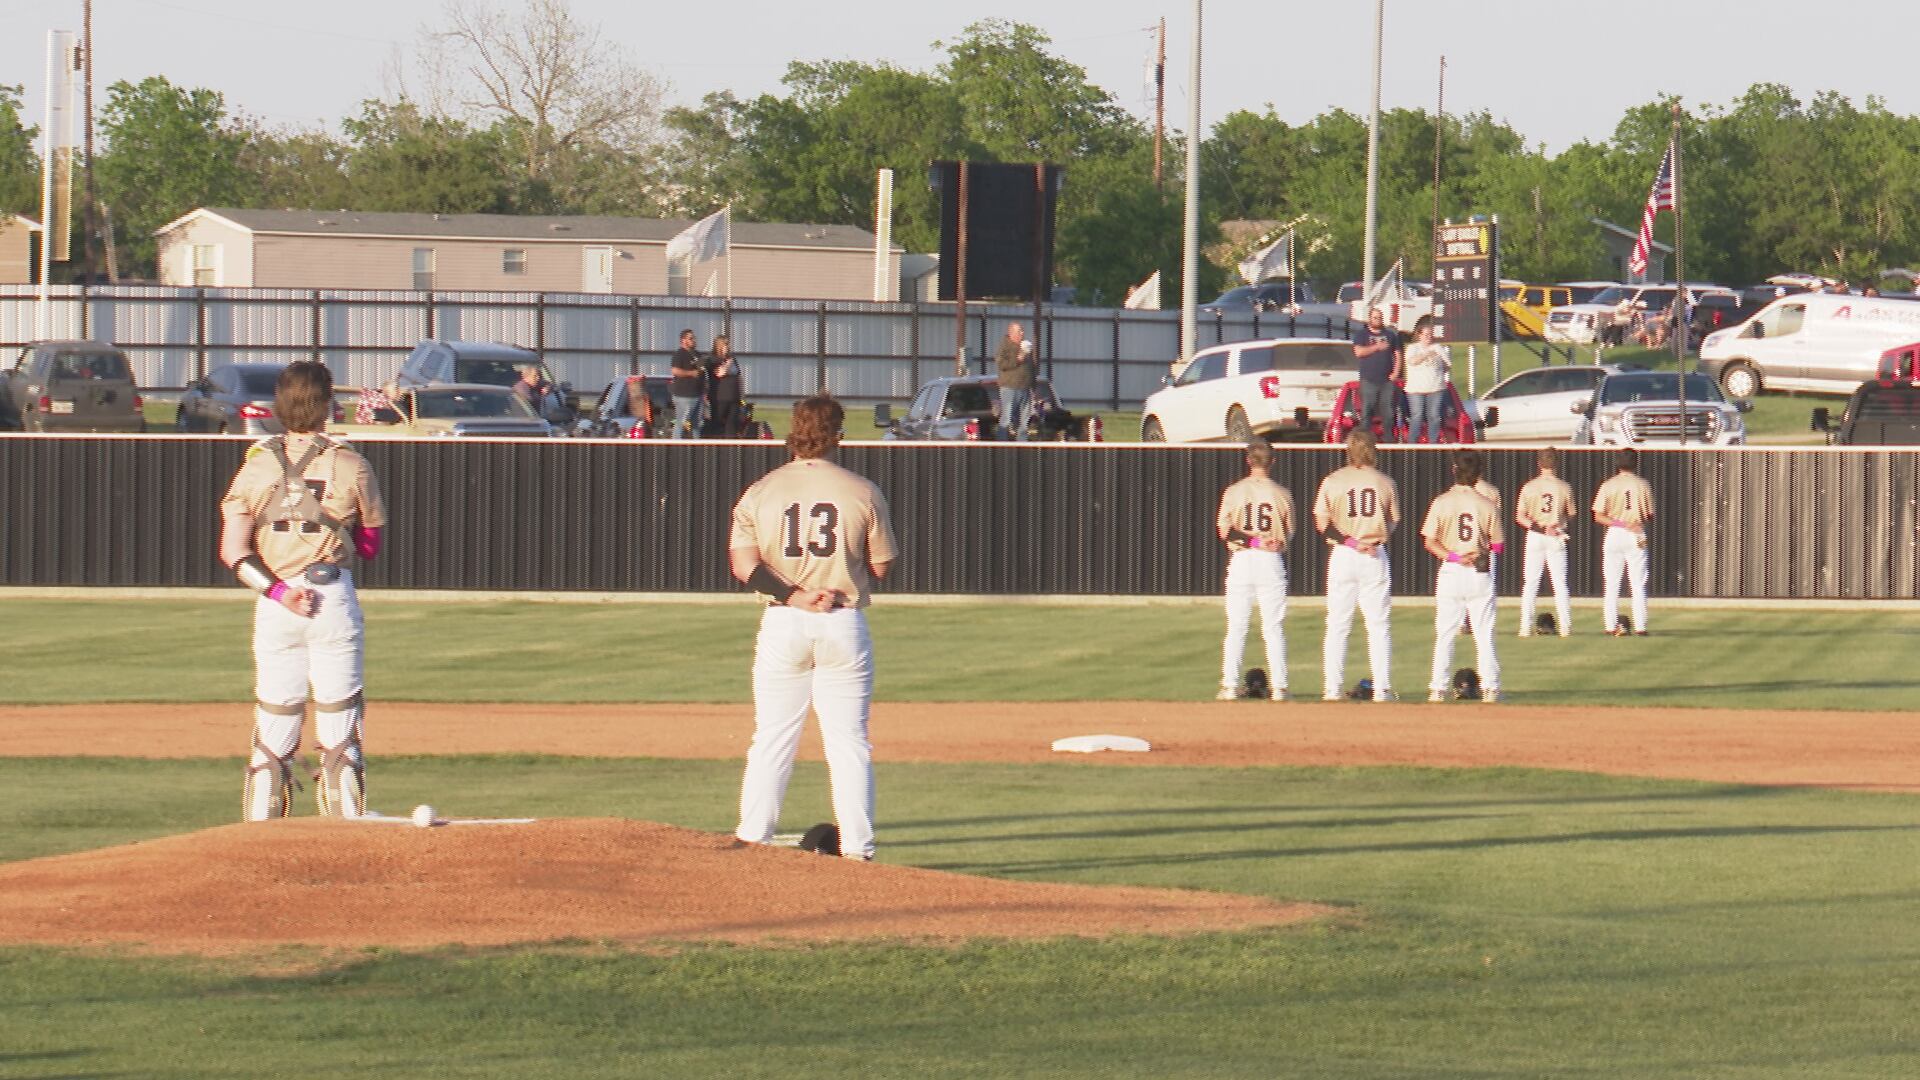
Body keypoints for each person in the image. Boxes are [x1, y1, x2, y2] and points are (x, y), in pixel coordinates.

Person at [729, 395, 898, 861]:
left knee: (772, 737)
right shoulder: (861, 490)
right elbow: (882, 566)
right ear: (838, 435)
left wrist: (795, 595)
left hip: (784, 621)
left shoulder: (761, 490)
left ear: (793, 433)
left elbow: (744, 566)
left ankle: (753, 836)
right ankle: (858, 850)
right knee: (848, 743)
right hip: (842, 619)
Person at [217, 360, 386, 821]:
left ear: (279, 405)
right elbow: (370, 546)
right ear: (328, 404)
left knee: (275, 724)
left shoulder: (254, 467)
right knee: (340, 728)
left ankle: (261, 830)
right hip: (331, 599)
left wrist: (279, 593)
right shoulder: (351, 463)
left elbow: (233, 552)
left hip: (277, 604)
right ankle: (345, 825)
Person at [1315, 429, 1398, 701]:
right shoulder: (1385, 481)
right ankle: (1382, 689)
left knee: (1338, 624)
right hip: (1373, 553)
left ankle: (1332, 689)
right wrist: (1370, 540)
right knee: (1378, 625)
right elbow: (1393, 522)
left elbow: (1322, 524)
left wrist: (1351, 542)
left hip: (1343, 553)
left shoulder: (1333, 480)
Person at [1215, 439, 1295, 701]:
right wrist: (1265, 542)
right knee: (1273, 626)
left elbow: (1225, 531)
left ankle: (1229, 685)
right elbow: (1288, 533)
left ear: (1248, 461)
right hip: (1270, 560)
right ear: (1273, 462)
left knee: (1237, 626)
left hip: (1242, 558)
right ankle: (1280, 687)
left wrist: (1252, 541)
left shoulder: (1234, 491)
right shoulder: (1282, 493)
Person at [1422, 450, 1503, 703]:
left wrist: (1454, 556)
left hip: (1452, 570)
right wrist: (1479, 552)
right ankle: (1490, 687)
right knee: (1484, 633)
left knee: (1445, 633)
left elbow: (1429, 542)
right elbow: (1498, 545)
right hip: (1478, 571)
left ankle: (1438, 688)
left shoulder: (1441, 502)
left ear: (1454, 471)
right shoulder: (1487, 504)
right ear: (1479, 473)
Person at [1592, 447, 1655, 636]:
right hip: (1637, 533)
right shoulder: (1643, 484)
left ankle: (1610, 626)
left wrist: (1621, 523)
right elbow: (1650, 514)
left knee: (1612, 583)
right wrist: (1634, 523)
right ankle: (1640, 626)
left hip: (1615, 532)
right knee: (1638, 583)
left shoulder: (1608, 485)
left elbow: (1598, 516)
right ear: (1635, 463)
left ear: (1618, 464)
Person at [1515, 447, 1576, 638]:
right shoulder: (1564, 487)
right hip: (1555, 534)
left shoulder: (1529, 487)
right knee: (1560, 583)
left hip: (1536, 534)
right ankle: (1565, 627)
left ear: (1539, 463)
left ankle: (1525, 627)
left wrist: (1541, 528)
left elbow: (1520, 517)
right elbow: (1571, 514)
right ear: (1556, 463)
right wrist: (1558, 525)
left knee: (1530, 583)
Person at [1350, 307, 1402, 442]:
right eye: (1375, 317)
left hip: (1387, 380)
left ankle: (1388, 439)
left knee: (1388, 412)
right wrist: (1377, 347)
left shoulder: (1390, 335)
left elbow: (1398, 355)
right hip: (1369, 379)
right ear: (1369, 319)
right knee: (1367, 411)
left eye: (1379, 317)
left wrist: (1396, 372)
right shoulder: (1361, 335)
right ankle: (1365, 440)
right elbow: (1359, 352)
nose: (1377, 320)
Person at [1402, 315, 1450, 445]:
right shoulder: (1413, 348)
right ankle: (1412, 443)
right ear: (1420, 335)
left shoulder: (1438, 347)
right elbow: (1412, 361)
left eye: (1431, 334)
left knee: (1434, 416)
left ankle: (1433, 442)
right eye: (1426, 335)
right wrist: (1427, 354)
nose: (1429, 337)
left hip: (1435, 388)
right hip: (1416, 389)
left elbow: (1447, 365)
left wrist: (1439, 369)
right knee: (1416, 416)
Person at [995, 323, 1037, 441]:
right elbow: (1002, 364)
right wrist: (1018, 359)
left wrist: (1033, 387)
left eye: (1022, 330)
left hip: (1025, 388)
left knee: (1025, 419)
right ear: (1011, 333)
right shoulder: (1004, 346)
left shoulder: (1025, 346)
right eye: (1019, 331)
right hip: (1010, 387)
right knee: (1007, 417)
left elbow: (1031, 368)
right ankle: (1002, 443)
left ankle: (1022, 442)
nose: (1022, 333)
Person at [705, 334, 744, 437]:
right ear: (719, 345)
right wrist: (728, 363)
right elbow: (720, 373)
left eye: (728, 344)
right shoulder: (713, 359)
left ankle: (730, 443)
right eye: (725, 344)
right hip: (720, 397)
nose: (728, 347)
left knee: (732, 424)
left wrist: (741, 394)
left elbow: (738, 375)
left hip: (734, 397)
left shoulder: (732, 359)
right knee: (717, 424)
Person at [669, 329, 706, 438]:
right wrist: (691, 373)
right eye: (691, 338)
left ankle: (696, 444)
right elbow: (675, 370)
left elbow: (702, 370)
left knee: (697, 424)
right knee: (681, 422)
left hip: (698, 394)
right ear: (683, 340)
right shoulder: (679, 354)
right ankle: (676, 444)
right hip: (684, 395)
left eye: (694, 338)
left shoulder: (697, 354)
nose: (694, 340)